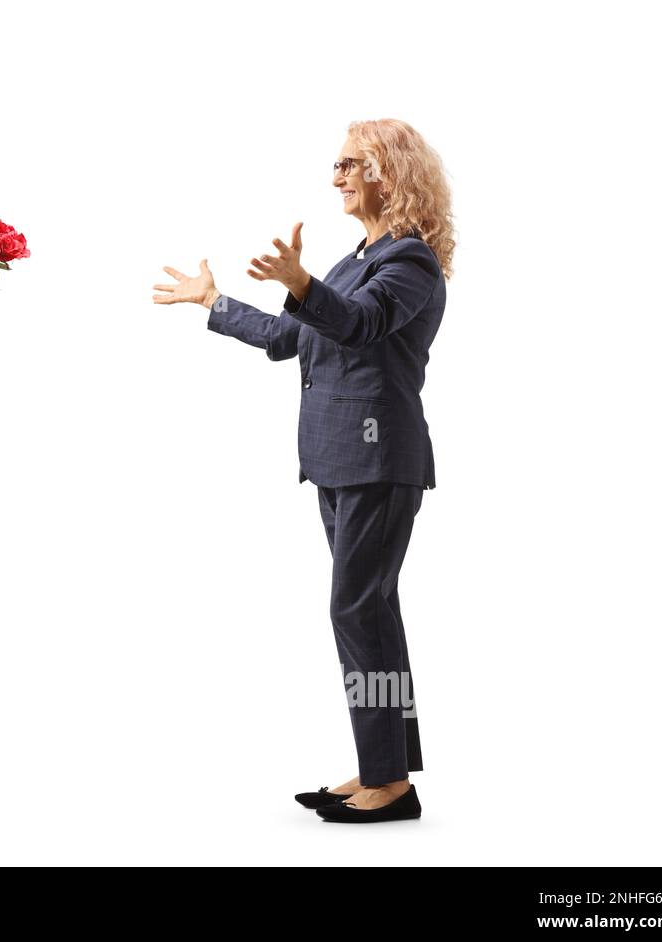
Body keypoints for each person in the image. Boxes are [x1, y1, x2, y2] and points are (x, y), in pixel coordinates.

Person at [152, 118, 454, 823]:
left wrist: (302, 280)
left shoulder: (409, 262)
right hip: (338, 461)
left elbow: (358, 324)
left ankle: (388, 782)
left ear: (391, 172)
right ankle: (386, 768)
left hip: (380, 460)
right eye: (338, 163)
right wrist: (213, 302)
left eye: (353, 163)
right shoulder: (354, 262)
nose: (337, 175)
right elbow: (288, 335)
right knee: (371, 611)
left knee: (357, 609)